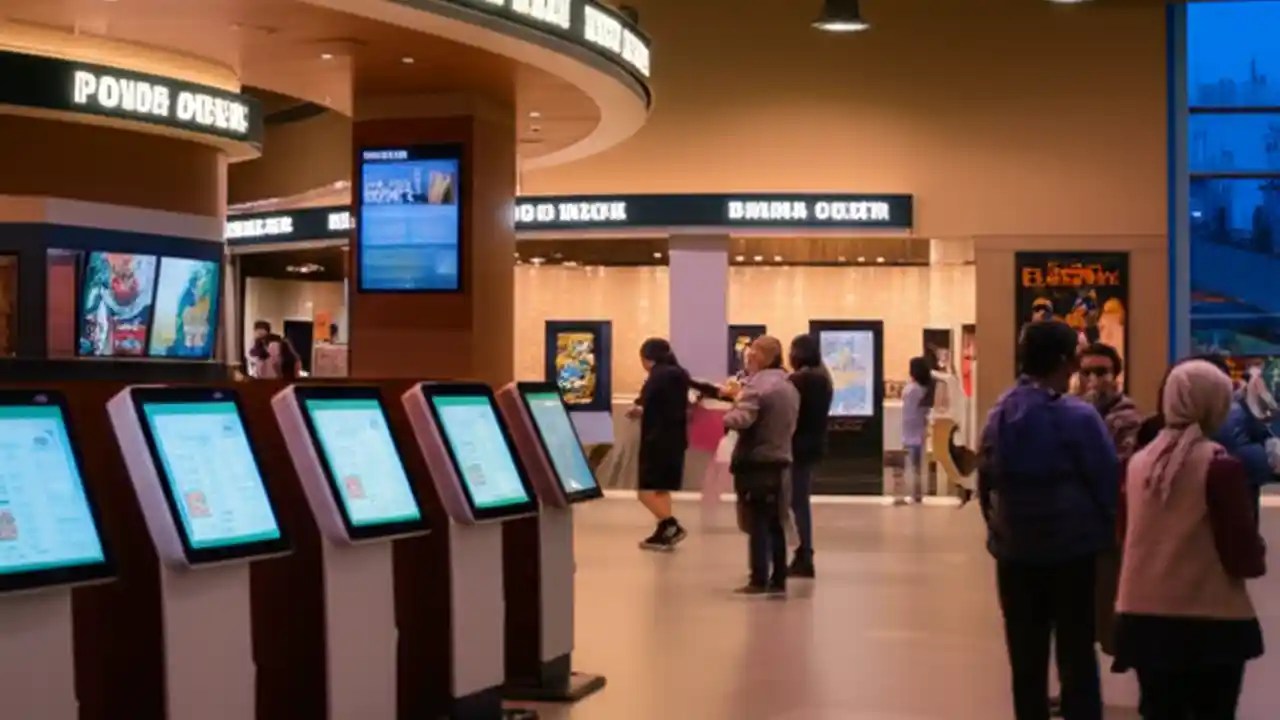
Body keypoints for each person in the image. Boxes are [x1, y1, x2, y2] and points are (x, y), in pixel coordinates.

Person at [979, 320, 1117, 720]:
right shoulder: (1079, 417)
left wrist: (997, 534)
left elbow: (986, 481)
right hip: (1073, 552)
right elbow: (1106, 481)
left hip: (1016, 553)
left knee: (1026, 658)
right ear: (1064, 361)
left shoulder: (1000, 412)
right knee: (1076, 650)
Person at [1114, 360, 1266, 719]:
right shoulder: (1219, 467)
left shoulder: (1136, 464)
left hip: (1142, 617)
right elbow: (1242, 554)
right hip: (1209, 623)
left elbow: (1125, 535)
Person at [724, 336, 800, 596]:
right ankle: (778, 578)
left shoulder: (757, 387)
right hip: (780, 458)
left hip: (756, 461)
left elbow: (743, 419)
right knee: (776, 520)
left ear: (760, 358)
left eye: (752, 355)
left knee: (756, 522)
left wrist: (724, 415)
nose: (749, 359)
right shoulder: (788, 385)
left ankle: (758, 578)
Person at [631, 338, 692, 551]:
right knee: (661, 490)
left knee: (645, 491)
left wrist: (638, 410)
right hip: (675, 439)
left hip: (657, 440)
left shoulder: (658, 376)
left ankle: (670, 525)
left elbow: (647, 402)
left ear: (647, 357)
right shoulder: (679, 373)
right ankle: (663, 532)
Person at [786, 334, 833, 578]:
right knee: (800, 499)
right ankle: (803, 552)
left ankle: (804, 553)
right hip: (814, 443)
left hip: (796, 445)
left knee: (796, 501)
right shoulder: (823, 377)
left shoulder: (800, 379)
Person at [899, 356, 936, 506]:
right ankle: (917, 493)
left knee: (911, 464)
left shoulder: (911, 389)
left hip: (909, 429)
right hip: (920, 429)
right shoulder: (926, 390)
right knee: (918, 465)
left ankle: (912, 494)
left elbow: (905, 398)